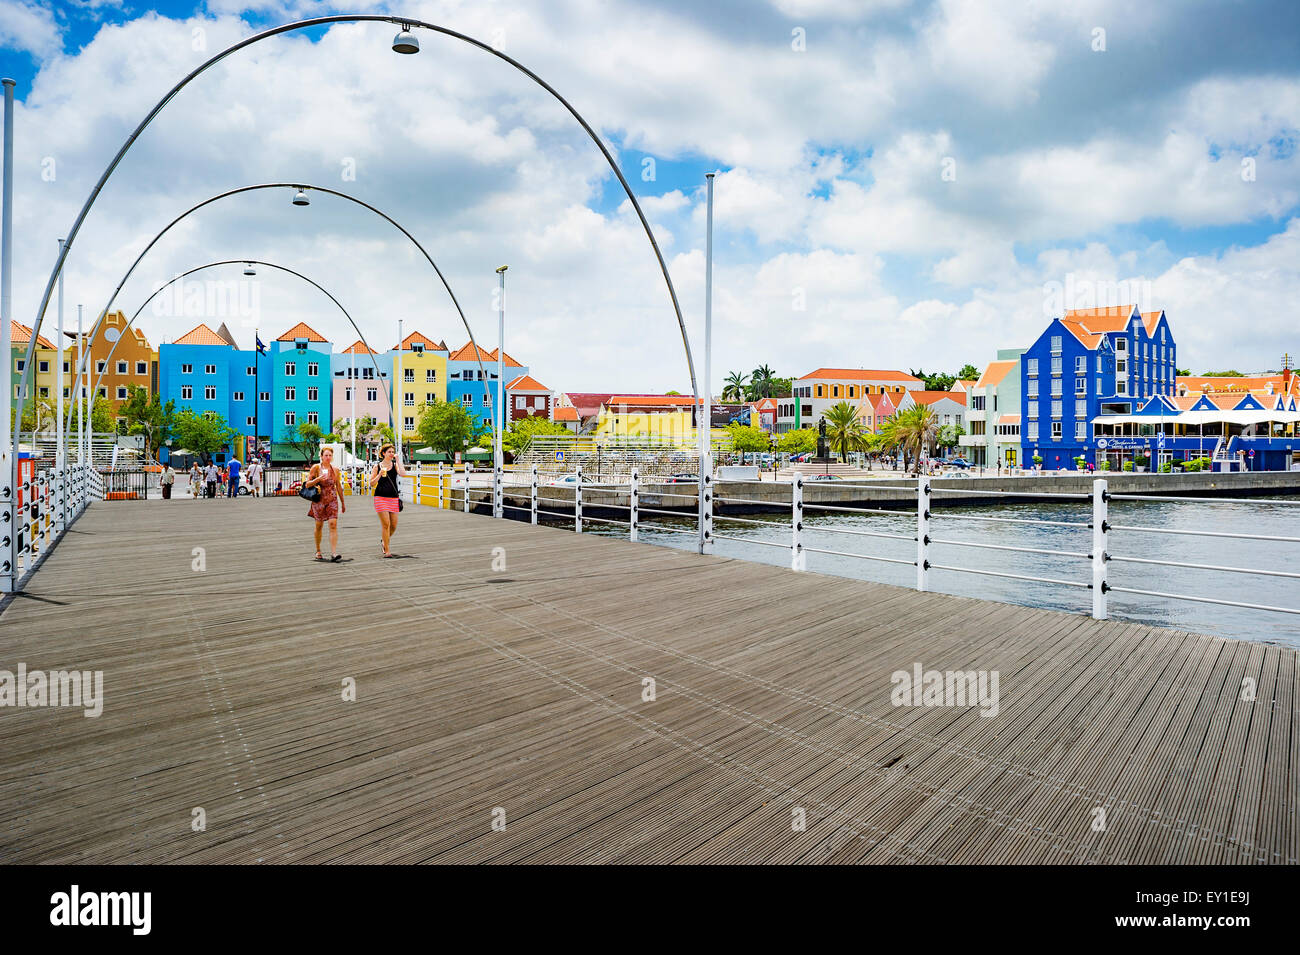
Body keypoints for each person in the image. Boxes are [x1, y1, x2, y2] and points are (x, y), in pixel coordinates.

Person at [305, 446, 345, 561]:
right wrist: (318, 479)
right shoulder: (316, 468)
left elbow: (339, 487)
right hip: (319, 500)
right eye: (326, 455)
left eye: (330, 455)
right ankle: (318, 550)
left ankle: (333, 553)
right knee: (319, 525)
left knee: (333, 524)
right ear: (321, 456)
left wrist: (343, 502)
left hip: (332, 500)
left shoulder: (335, 470)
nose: (328, 457)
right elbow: (307, 484)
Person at [370, 442, 408, 557]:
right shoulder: (377, 466)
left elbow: (403, 474)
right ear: (383, 453)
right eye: (389, 452)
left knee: (394, 525)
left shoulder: (395, 465)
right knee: (386, 524)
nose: (391, 454)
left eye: (392, 452)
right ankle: (387, 550)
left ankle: (384, 541)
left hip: (393, 498)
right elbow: (371, 483)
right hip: (380, 497)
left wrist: (398, 460)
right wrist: (380, 474)